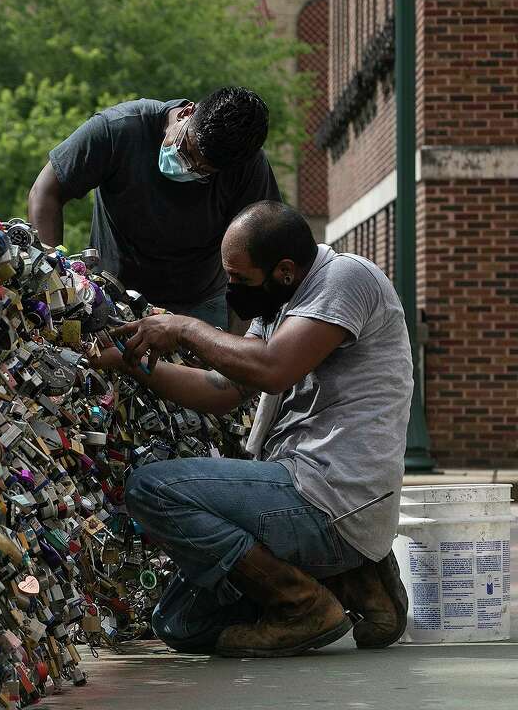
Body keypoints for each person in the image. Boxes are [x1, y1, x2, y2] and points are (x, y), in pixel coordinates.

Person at [89, 201, 412, 657]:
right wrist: (130, 360)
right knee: (178, 624)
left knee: (151, 488)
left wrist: (183, 328)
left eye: (240, 279)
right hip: (298, 491)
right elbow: (222, 389)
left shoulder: (345, 278)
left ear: (283, 270)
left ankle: (304, 604)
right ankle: (352, 584)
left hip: (327, 496)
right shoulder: (279, 301)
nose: (232, 289)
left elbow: (272, 369)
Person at [28, 87, 281, 330]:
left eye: (203, 171)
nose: (188, 167)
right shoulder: (120, 128)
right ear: (186, 113)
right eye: (186, 150)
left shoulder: (247, 169)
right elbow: (46, 193)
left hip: (200, 307)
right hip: (108, 299)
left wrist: (238, 347)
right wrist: (53, 282)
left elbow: (258, 252)